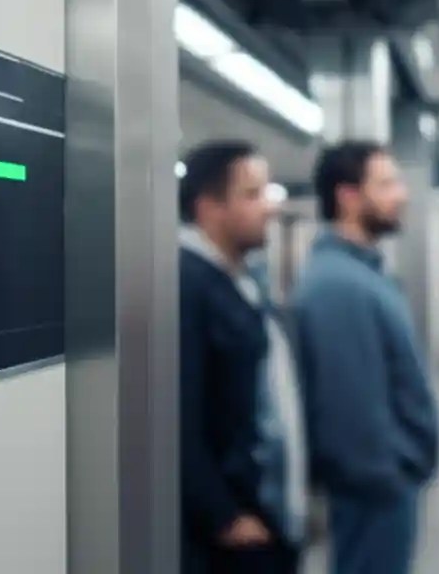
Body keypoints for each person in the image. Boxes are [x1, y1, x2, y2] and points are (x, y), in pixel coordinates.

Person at [292, 141, 439, 574]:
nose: (402, 194)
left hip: (383, 486)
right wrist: (390, 474)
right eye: (387, 183)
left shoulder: (363, 276)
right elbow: (349, 405)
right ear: (348, 196)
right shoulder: (338, 287)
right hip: (374, 489)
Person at [178, 141, 307, 574]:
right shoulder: (188, 284)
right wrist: (224, 516)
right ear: (208, 207)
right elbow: (176, 412)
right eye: (252, 195)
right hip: (232, 533)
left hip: (264, 511)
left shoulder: (240, 280)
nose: (268, 207)